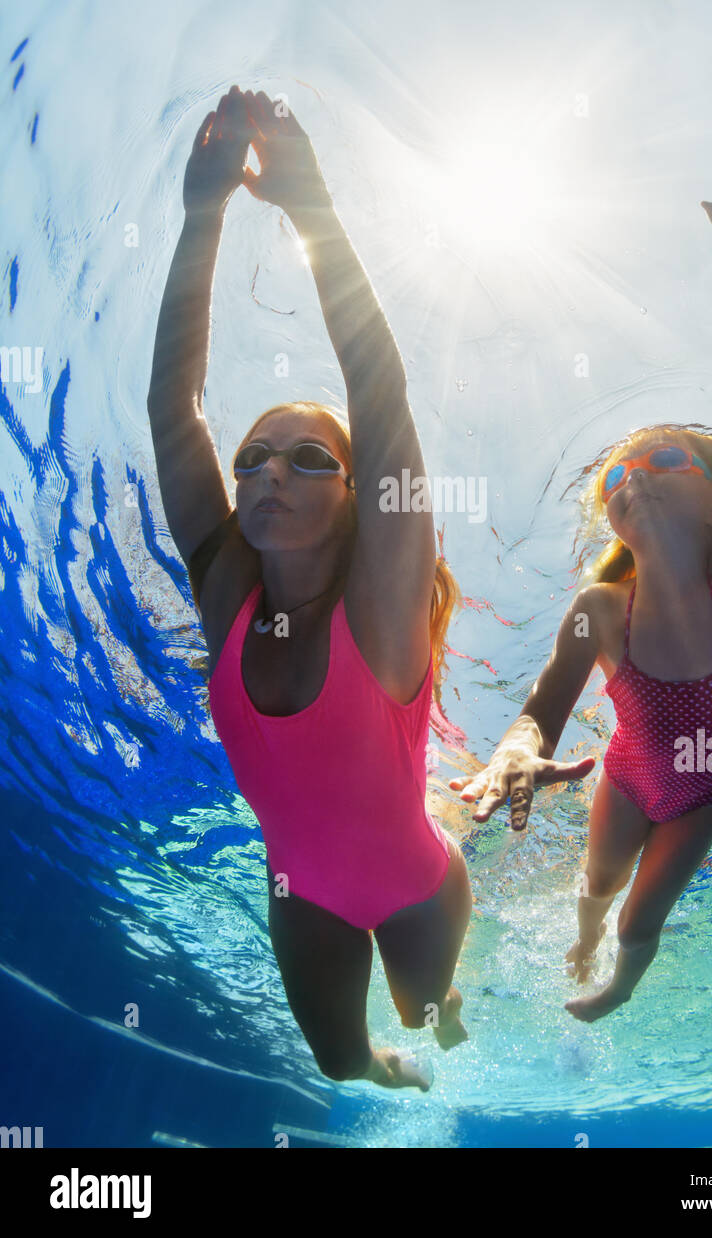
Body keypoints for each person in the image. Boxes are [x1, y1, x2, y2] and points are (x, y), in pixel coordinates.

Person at [147, 85, 472, 1090]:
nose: (267, 473)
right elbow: (173, 408)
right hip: (304, 895)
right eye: (252, 459)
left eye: (306, 459)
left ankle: (446, 1001)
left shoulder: (379, 608)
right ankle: (392, 1063)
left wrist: (312, 207)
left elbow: (379, 389)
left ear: (354, 497)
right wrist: (201, 218)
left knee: (427, 1010)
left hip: (421, 888)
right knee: (341, 1066)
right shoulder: (225, 592)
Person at [451, 157, 712, 1022]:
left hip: (708, 785)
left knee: (643, 917)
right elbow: (545, 704)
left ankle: (622, 978)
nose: (634, 472)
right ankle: (580, 939)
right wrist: (515, 748)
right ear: (612, 516)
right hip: (634, 775)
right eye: (619, 469)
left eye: (665, 458)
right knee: (596, 887)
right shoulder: (601, 611)